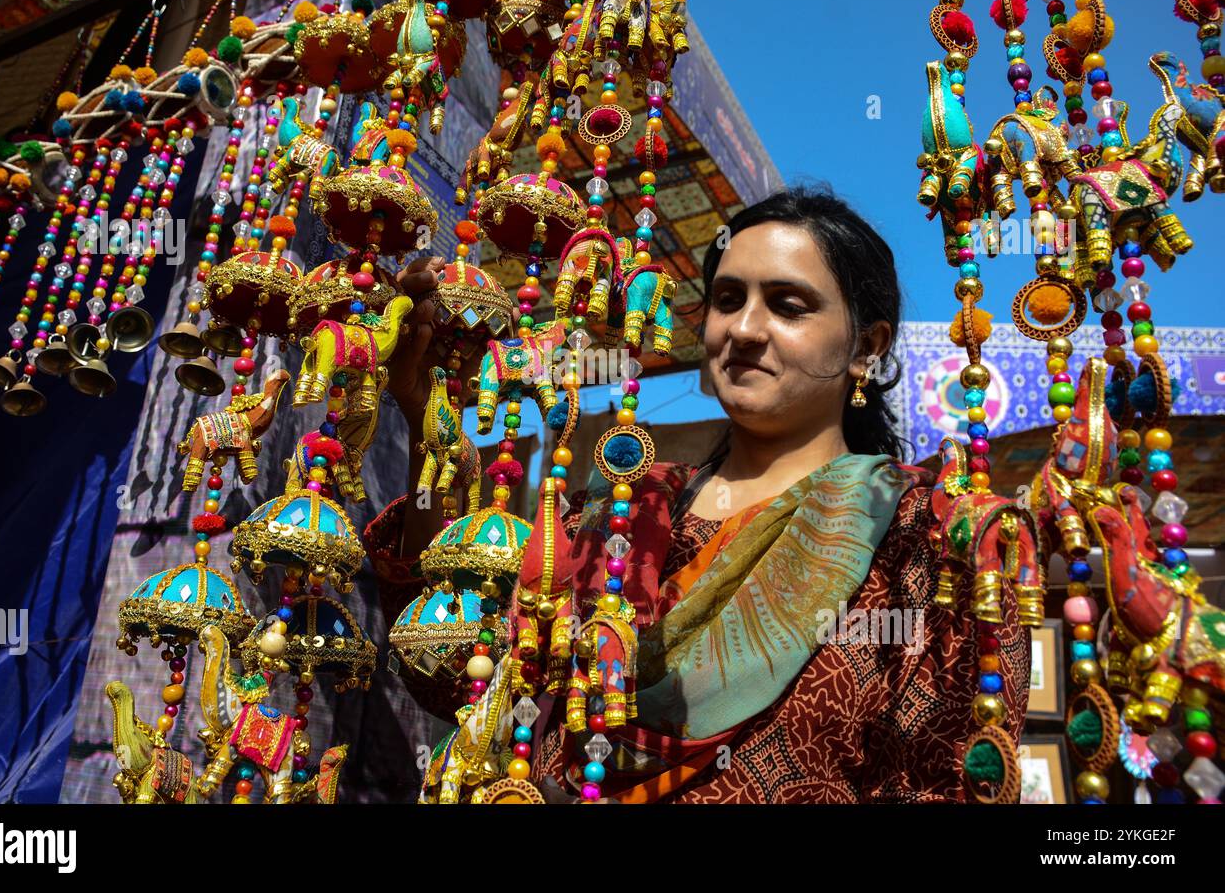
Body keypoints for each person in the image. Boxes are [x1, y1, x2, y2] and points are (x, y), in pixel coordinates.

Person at [366, 186, 1031, 803]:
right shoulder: (617, 512)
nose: (743, 329)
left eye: (788, 305)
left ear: (867, 348)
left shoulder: (930, 539)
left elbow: (941, 781)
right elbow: (461, 675)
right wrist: (433, 434)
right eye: (728, 299)